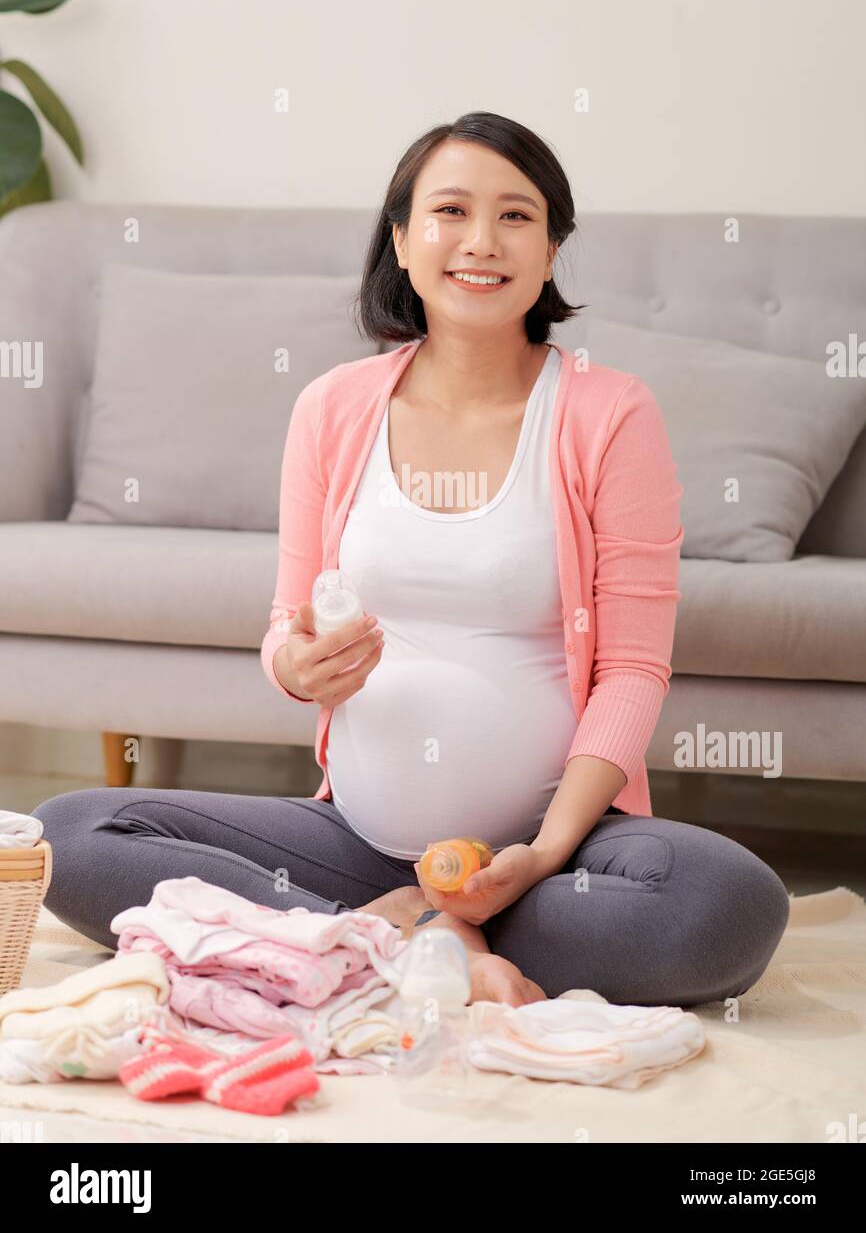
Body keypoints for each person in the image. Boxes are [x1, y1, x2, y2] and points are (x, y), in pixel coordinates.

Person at [33, 111, 790, 1008]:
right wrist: (296, 665)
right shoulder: (333, 407)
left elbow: (632, 669)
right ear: (402, 238)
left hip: (554, 858)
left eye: (516, 216)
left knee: (724, 906)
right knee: (69, 834)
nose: (481, 241)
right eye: (450, 211)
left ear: (551, 250)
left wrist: (543, 852)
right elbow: (287, 629)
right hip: (355, 844)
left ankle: (354, 941)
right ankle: (416, 933)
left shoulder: (608, 414)